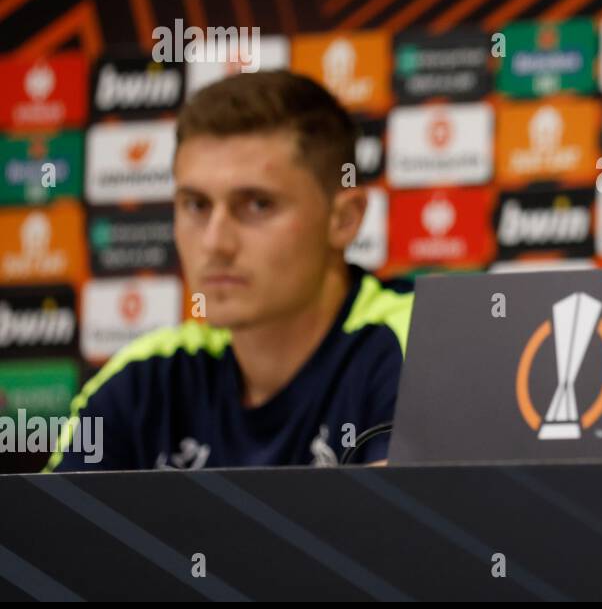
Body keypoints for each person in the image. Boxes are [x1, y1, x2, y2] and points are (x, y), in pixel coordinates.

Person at [46, 71, 411, 471]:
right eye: (197, 205)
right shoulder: (141, 380)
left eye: (256, 205)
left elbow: (407, 527)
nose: (215, 243)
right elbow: (51, 532)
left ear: (344, 219)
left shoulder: (419, 343)